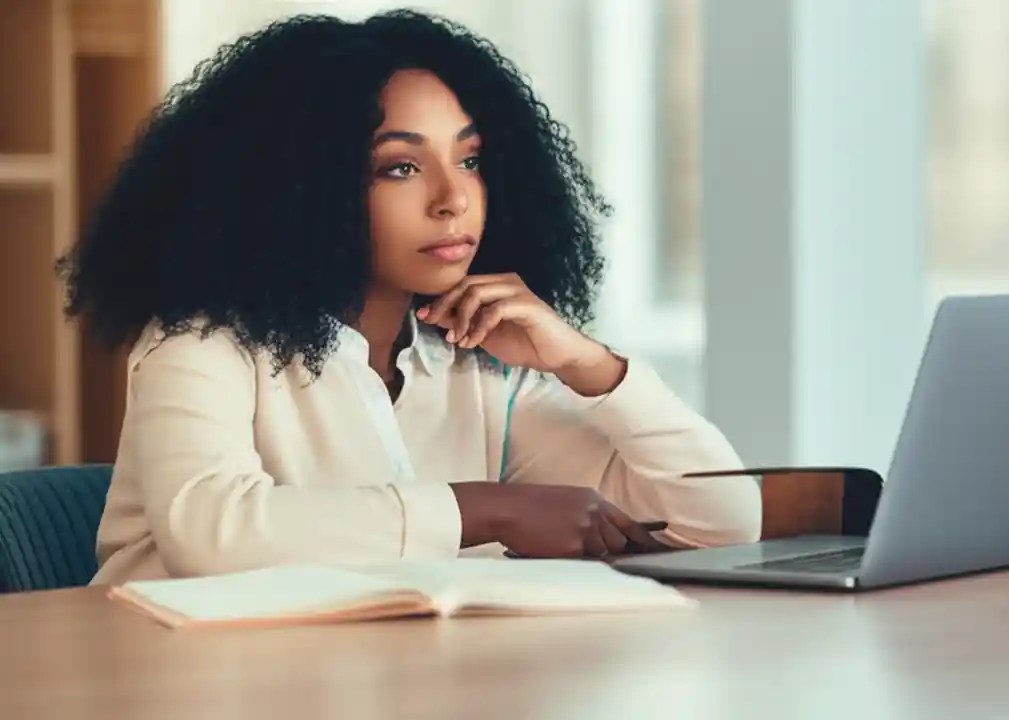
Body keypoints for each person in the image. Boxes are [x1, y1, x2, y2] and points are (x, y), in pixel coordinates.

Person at [60, 11, 760, 585]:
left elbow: (719, 520)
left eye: (471, 159)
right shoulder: (198, 340)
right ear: (301, 190)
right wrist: (485, 511)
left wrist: (589, 366)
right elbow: (214, 537)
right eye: (400, 167)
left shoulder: (475, 361)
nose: (453, 199)